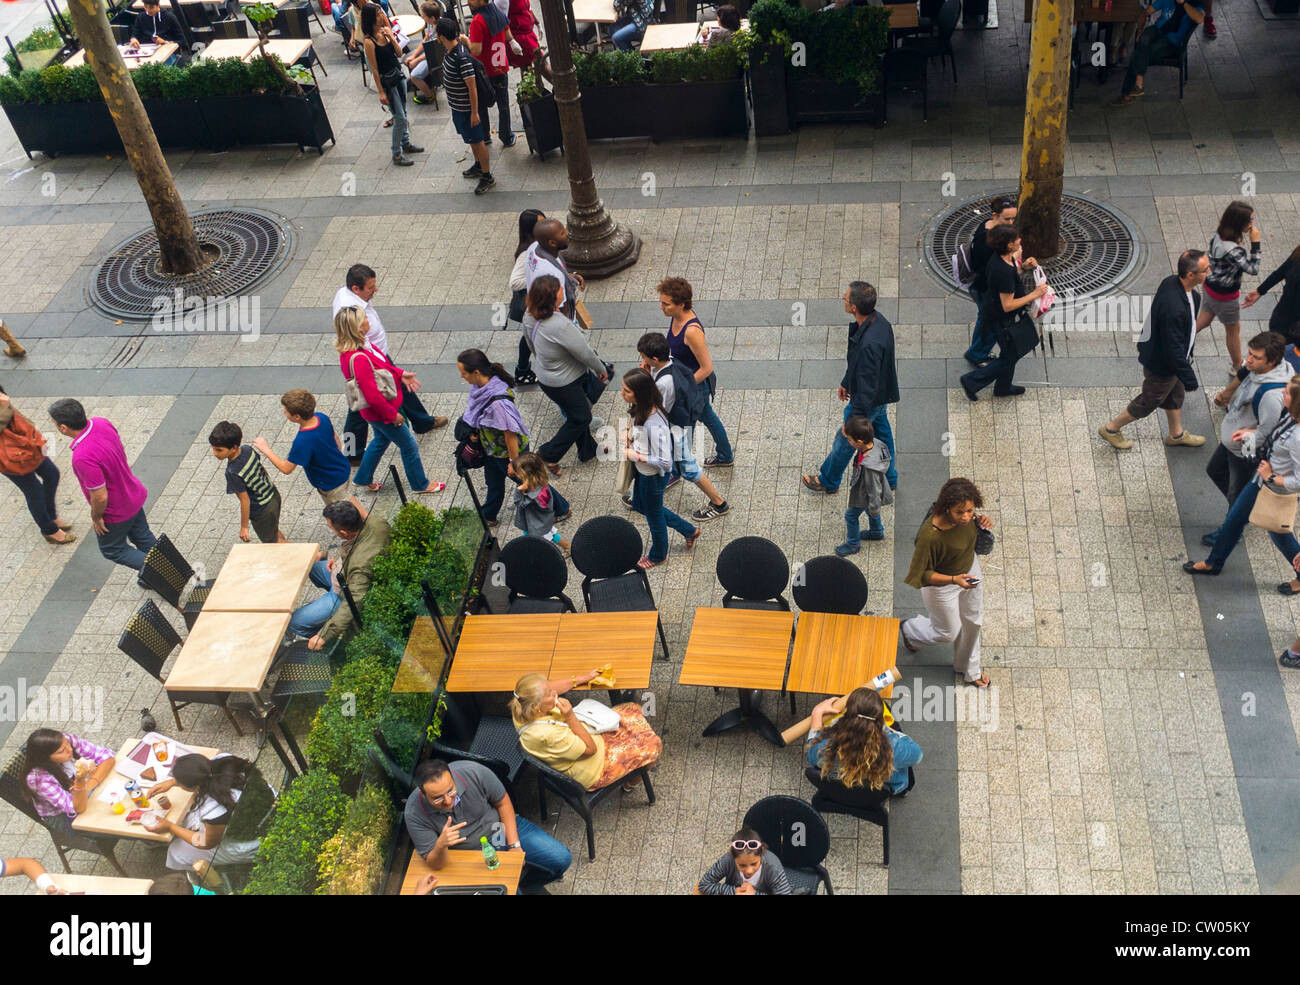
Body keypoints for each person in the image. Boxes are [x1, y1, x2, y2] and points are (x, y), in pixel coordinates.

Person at [1184, 375, 1300, 576]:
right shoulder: (1291, 416)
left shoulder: (1298, 438)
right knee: (1233, 521)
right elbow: (1275, 435)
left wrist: (1271, 477)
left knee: (1280, 534)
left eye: (1288, 392)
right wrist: (1252, 435)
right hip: (1260, 481)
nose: (1283, 393)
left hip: (1275, 490)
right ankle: (1213, 563)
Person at [331, 263, 448, 461]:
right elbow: (356, 343)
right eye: (370, 287)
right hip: (369, 360)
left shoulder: (351, 295)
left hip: (377, 355)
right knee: (360, 405)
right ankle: (353, 453)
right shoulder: (350, 309)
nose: (375, 290)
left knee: (400, 384)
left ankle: (422, 421)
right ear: (356, 289)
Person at [1098, 250, 1210, 449]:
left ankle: (1176, 434)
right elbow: (1173, 349)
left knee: (1175, 394)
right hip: (1163, 365)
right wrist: (1189, 377)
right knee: (1149, 400)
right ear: (1191, 275)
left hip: (1171, 361)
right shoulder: (1174, 308)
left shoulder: (1172, 283)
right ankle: (1111, 429)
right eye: (1205, 270)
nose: (1209, 272)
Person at [404, 758, 572, 890]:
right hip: (469, 853)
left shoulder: (474, 772)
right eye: (437, 798)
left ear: (453, 778)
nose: (448, 801)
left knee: (562, 859)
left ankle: (527, 885)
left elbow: (503, 802)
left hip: (499, 828)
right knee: (505, 890)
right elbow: (435, 864)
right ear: (423, 794)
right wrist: (440, 845)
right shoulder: (414, 812)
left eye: (451, 791)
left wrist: (514, 845)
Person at [335, 306, 446, 496]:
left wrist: (400, 374)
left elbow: (382, 365)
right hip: (381, 412)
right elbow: (372, 394)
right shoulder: (359, 357)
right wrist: (392, 415)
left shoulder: (354, 350)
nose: (368, 320)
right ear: (358, 327)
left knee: (380, 440)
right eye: (364, 318)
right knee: (409, 445)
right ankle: (420, 484)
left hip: (372, 413)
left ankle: (362, 478)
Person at [802, 280, 898, 492]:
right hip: (880, 395)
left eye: (845, 298)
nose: (843, 300)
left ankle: (828, 479)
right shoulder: (880, 323)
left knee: (846, 439)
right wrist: (847, 381)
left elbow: (866, 384)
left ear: (854, 307)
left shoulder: (869, 344)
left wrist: (854, 419)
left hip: (867, 401)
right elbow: (859, 365)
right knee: (882, 433)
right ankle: (890, 477)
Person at [900, 478, 993, 688]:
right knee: (948, 632)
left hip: (970, 571)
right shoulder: (930, 536)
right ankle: (910, 630)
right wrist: (954, 580)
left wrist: (983, 525)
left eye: (970, 510)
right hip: (941, 586)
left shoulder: (970, 520)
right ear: (947, 508)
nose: (966, 516)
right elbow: (921, 574)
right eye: (960, 512)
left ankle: (970, 669)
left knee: (973, 620)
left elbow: (979, 544)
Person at [49, 398, 156, 575]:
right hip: (133, 494)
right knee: (143, 537)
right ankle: (170, 571)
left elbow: (100, 496)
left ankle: (160, 573)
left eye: (53, 422)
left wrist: (96, 517)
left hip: (116, 512)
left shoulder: (82, 456)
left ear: (63, 428)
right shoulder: (101, 423)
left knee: (113, 549)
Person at [632, 332, 728, 520]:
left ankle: (719, 503)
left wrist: (643, 380)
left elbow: (655, 410)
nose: (641, 360)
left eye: (643, 356)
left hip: (675, 429)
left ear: (654, 358)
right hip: (683, 421)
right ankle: (643, 495)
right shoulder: (671, 362)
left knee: (688, 467)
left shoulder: (663, 383)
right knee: (674, 461)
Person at [510, 672, 662, 790]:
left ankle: (633, 751)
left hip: (583, 734)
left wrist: (584, 678)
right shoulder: (547, 735)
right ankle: (630, 783)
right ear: (536, 706)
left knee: (632, 708)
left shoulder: (522, 706)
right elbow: (590, 749)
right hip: (596, 767)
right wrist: (569, 715)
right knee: (654, 746)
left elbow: (549, 686)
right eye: (549, 694)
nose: (554, 692)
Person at [523, 276, 609, 473]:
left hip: (546, 377)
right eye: (560, 289)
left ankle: (587, 450)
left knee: (575, 413)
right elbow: (585, 352)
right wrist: (601, 369)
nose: (563, 290)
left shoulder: (528, 315)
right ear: (552, 298)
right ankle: (548, 455)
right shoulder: (560, 324)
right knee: (581, 417)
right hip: (565, 382)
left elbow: (530, 344)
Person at [622, 368, 700, 569]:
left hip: (652, 477)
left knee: (654, 517)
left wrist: (635, 455)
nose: (622, 394)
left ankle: (658, 555)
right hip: (644, 473)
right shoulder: (645, 408)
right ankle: (688, 530)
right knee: (641, 505)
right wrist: (630, 436)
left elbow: (665, 462)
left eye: (627, 391)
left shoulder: (654, 424)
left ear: (640, 393)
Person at [960, 225, 1048, 402]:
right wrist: (1034, 294)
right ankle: (972, 381)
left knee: (1010, 354)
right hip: (1004, 320)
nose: (1020, 241)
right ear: (1009, 245)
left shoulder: (1000, 260)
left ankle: (1003, 387)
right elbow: (1007, 305)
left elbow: (1006, 279)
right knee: (1010, 355)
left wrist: (1022, 267)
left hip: (994, 314)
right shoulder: (1004, 271)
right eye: (1017, 239)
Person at [456, 347, 541, 525]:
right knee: (493, 483)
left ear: (476, 372)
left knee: (530, 482)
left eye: (463, 372)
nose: (461, 376)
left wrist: (514, 462)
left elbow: (510, 434)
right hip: (492, 450)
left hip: (509, 453)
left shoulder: (498, 403)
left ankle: (560, 508)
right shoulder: (482, 387)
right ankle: (488, 515)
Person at [290, 500, 392, 647]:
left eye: (331, 528)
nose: (331, 530)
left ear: (343, 533)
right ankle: (328, 613)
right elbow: (355, 546)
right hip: (341, 573)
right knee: (311, 568)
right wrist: (340, 560)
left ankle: (333, 642)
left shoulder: (360, 568)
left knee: (295, 622)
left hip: (344, 593)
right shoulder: (377, 522)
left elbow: (355, 600)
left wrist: (323, 635)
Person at [1205, 333, 1290, 507]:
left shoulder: (1271, 396)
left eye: (1256, 357)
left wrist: (1245, 447)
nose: (1248, 360)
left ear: (1271, 363)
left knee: (1236, 494)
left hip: (1244, 449)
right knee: (1215, 471)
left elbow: (1265, 432)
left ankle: (1238, 517)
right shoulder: (1259, 369)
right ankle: (1246, 507)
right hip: (1233, 439)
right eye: (1250, 353)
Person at [659, 277, 734, 467]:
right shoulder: (676, 317)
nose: (662, 307)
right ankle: (725, 455)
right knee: (707, 417)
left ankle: (679, 469)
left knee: (683, 429)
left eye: (666, 304)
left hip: (694, 388)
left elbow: (707, 367)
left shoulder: (691, 331)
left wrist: (683, 387)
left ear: (681, 304)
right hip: (688, 384)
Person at [252, 389, 361, 511]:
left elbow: (286, 468)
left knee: (344, 511)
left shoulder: (303, 440)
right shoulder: (321, 417)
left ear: (297, 416)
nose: (284, 412)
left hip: (330, 483)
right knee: (346, 500)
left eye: (286, 411)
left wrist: (265, 449)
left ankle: (365, 520)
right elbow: (335, 438)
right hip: (342, 468)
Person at [143, 753, 253, 872]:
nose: (178, 784)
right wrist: (173, 782)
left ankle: (204, 873)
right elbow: (198, 774)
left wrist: (170, 827)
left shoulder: (215, 811)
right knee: (187, 819)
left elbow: (206, 843)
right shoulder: (222, 762)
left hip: (248, 842)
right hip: (253, 814)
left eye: (181, 783)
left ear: (196, 787)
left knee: (176, 851)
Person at [805, 687, 922, 795]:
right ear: (879, 719)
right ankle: (903, 791)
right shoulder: (894, 747)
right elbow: (917, 755)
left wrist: (817, 713)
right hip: (877, 790)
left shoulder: (828, 745)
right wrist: (889, 730)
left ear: (846, 714)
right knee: (895, 726)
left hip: (840, 791)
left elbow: (811, 754)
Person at [22, 728, 116, 852]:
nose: (69, 749)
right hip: (63, 816)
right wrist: (80, 781)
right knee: (112, 820)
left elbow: (107, 756)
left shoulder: (65, 741)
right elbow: (77, 807)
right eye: (61, 751)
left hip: (83, 792)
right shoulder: (39, 780)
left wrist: (89, 784)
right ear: (46, 758)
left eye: (67, 744)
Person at [1196, 201, 1263, 375]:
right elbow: (1253, 269)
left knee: (1204, 319)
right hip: (1225, 297)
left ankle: (1177, 339)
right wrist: (1256, 243)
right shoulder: (1233, 250)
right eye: (1250, 220)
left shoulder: (1219, 235)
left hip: (1210, 286)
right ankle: (1237, 365)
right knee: (1233, 331)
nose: (1252, 223)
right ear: (1239, 223)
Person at [0, 386, 73, 544]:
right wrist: (4, 408)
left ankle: (51, 516)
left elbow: (16, 418)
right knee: (34, 491)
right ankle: (49, 530)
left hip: (27, 444)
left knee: (52, 474)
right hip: (10, 457)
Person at [437, 17, 495, 195]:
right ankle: (478, 165)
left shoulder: (461, 58)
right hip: (458, 108)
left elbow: (472, 87)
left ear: (441, 37)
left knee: (478, 141)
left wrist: (474, 113)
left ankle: (487, 176)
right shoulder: (450, 51)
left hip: (468, 110)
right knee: (471, 140)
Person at [362, 2, 424, 167]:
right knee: (399, 117)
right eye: (377, 15)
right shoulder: (369, 42)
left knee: (403, 111)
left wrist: (391, 36)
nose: (381, 16)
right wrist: (381, 92)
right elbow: (374, 69)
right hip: (387, 82)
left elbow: (399, 52)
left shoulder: (385, 32)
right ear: (370, 19)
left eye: (381, 13)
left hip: (398, 75)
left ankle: (406, 143)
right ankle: (396, 153)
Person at [1110, 0, 1204, 105]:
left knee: (1137, 55)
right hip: (1157, 30)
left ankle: (1127, 94)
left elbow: (1200, 18)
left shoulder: (1195, 2)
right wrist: (1140, 30)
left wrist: (1183, 3)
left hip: (1171, 41)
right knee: (1145, 37)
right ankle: (1138, 85)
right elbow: (1145, 12)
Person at [208, 421, 285, 544]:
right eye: (213, 448)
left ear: (233, 448)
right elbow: (261, 469)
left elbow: (245, 500)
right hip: (273, 496)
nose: (214, 453)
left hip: (262, 509)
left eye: (219, 450)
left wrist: (244, 527)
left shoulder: (232, 472)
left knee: (272, 543)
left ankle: (310, 554)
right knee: (273, 532)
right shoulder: (247, 449)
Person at [964, 196, 1019, 367]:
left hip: (982, 287)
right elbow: (996, 270)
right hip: (984, 289)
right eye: (1007, 219)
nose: (1011, 223)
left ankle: (977, 352)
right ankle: (977, 355)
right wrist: (1014, 258)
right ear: (995, 215)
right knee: (990, 324)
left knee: (985, 321)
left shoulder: (988, 227)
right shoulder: (987, 241)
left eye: (1013, 218)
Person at [464, 0, 518, 148]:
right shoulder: (498, 12)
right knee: (503, 104)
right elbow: (508, 36)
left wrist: (466, 41)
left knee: (481, 104)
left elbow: (476, 50)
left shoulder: (477, 21)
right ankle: (507, 136)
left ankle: (485, 135)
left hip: (484, 71)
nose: (468, 2)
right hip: (500, 67)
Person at [835, 416, 891, 556]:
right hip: (866, 492)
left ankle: (853, 544)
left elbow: (874, 490)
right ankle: (876, 531)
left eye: (850, 440)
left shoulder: (870, 468)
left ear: (859, 442)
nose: (849, 442)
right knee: (869, 510)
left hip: (863, 493)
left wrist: (875, 508)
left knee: (851, 516)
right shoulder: (875, 443)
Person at [508, 208, 546, 384]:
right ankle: (522, 370)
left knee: (530, 335)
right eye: (540, 224)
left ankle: (522, 370)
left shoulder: (539, 245)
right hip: (534, 303)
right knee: (531, 335)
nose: (544, 226)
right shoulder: (526, 252)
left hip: (540, 301)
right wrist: (540, 279)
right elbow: (515, 282)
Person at [696, 829, 793, 895]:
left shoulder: (773, 866)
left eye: (754, 864)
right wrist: (734, 891)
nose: (749, 871)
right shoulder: (727, 860)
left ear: (762, 853)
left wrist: (754, 894)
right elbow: (704, 884)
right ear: (733, 857)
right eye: (742, 865)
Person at [525, 218, 584, 320]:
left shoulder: (533, 247)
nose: (567, 233)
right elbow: (560, 306)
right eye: (562, 233)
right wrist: (568, 324)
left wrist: (569, 276)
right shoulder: (552, 274)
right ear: (552, 243)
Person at [511, 452, 570, 550]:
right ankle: (567, 547)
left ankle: (565, 548)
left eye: (518, 472)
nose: (516, 474)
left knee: (547, 540)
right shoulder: (539, 484)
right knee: (552, 535)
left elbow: (519, 503)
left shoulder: (535, 494)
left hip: (538, 525)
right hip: (537, 522)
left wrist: (519, 490)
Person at [1243, 243, 1300, 344]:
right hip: (1282, 317)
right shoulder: (1298, 254)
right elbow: (1281, 271)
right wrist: (1260, 291)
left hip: (1296, 328)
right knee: (1275, 347)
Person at [405, 1, 444, 105]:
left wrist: (416, 59)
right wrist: (413, 56)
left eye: (424, 16)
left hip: (435, 57)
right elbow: (425, 39)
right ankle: (427, 83)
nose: (422, 17)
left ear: (432, 18)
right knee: (407, 58)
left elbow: (433, 52)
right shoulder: (431, 24)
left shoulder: (439, 30)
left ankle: (429, 96)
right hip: (428, 51)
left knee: (414, 76)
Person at [505, 0, 550, 85]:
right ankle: (561, 88)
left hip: (528, 33)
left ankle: (532, 91)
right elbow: (501, 19)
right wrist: (511, 41)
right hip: (519, 36)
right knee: (538, 63)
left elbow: (528, 8)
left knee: (527, 67)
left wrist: (537, 23)